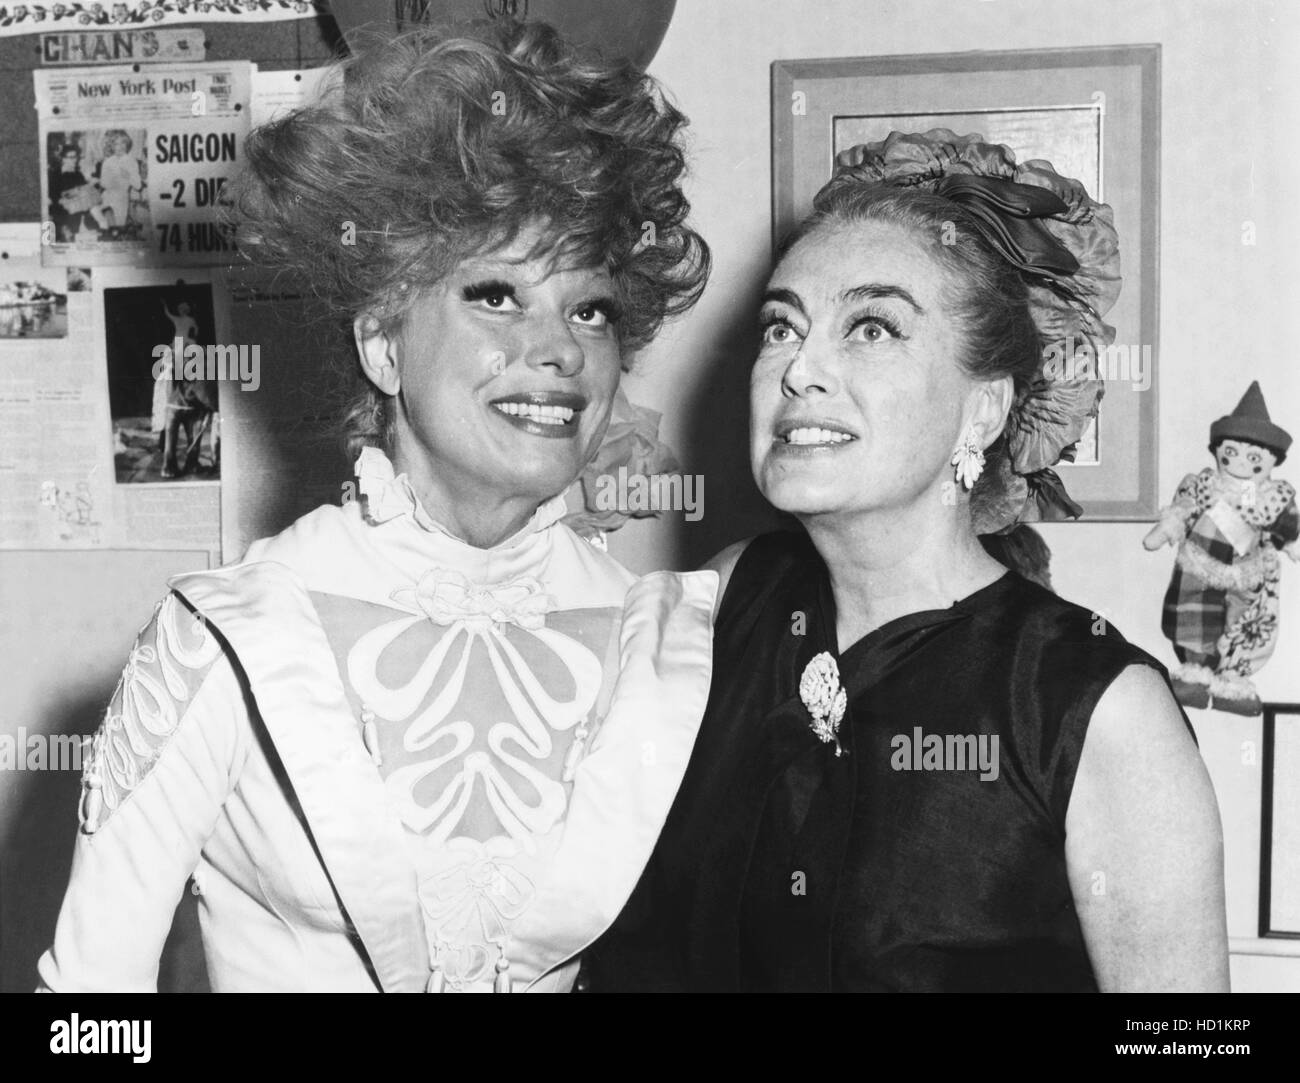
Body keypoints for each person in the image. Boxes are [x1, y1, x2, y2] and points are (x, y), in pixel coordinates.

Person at [39, 19, 713, 993]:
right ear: (383, 344)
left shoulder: (665, 643)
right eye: (495, 295)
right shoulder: (224, 640)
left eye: (590, 308)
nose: (559, 348)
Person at [580, 130, 1229, 993]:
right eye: (782, 327)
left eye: (872, 327)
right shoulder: (728, 600)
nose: (799, 369)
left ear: (984, 410)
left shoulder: (1095, 710)